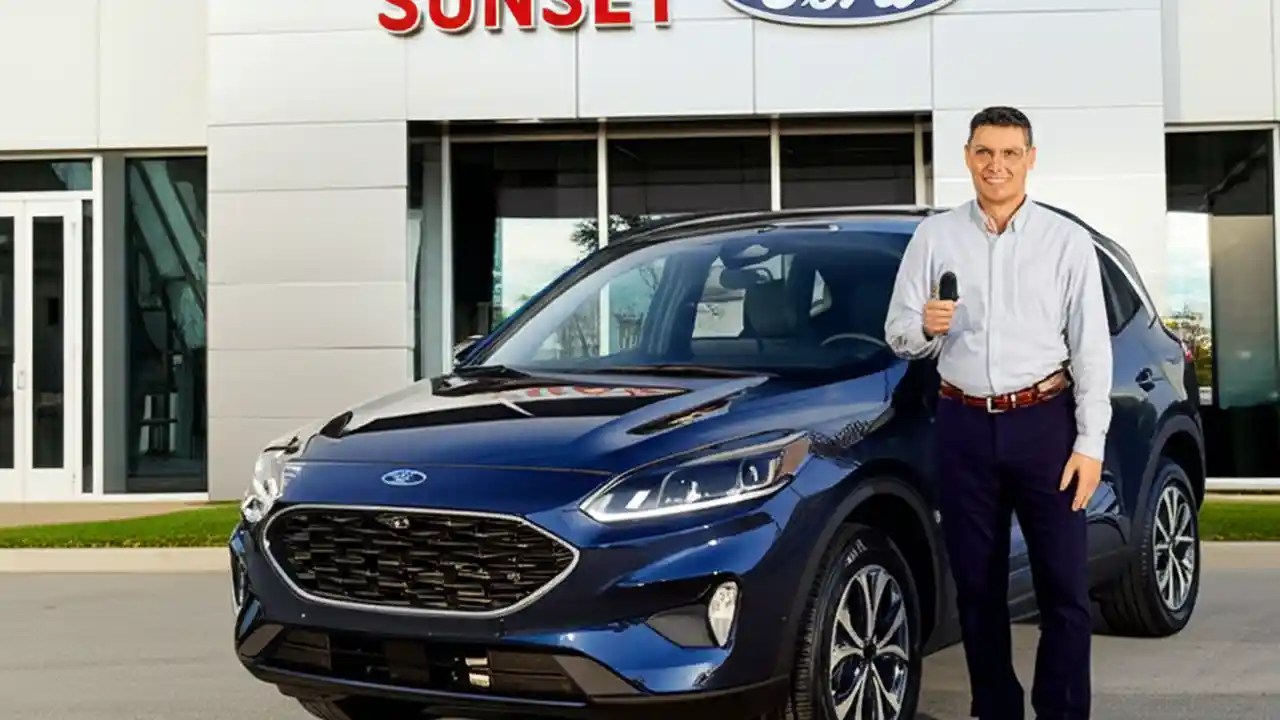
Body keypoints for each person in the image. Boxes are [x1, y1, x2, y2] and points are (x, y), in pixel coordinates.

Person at [884, 106, 1112, 720]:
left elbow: (1091, 347)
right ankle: (996, 709)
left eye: (1011, 153)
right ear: (967, 157)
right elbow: (898, 329)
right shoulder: (935, 236)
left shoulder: (1066, 241)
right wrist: (924, 328)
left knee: (1063, 588)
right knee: (978, 589)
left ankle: (1062, 711)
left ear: (1030, 159)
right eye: (985, 152)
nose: (997, 165)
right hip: (962, 426)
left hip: (1045, 423)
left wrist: (1090, 444)